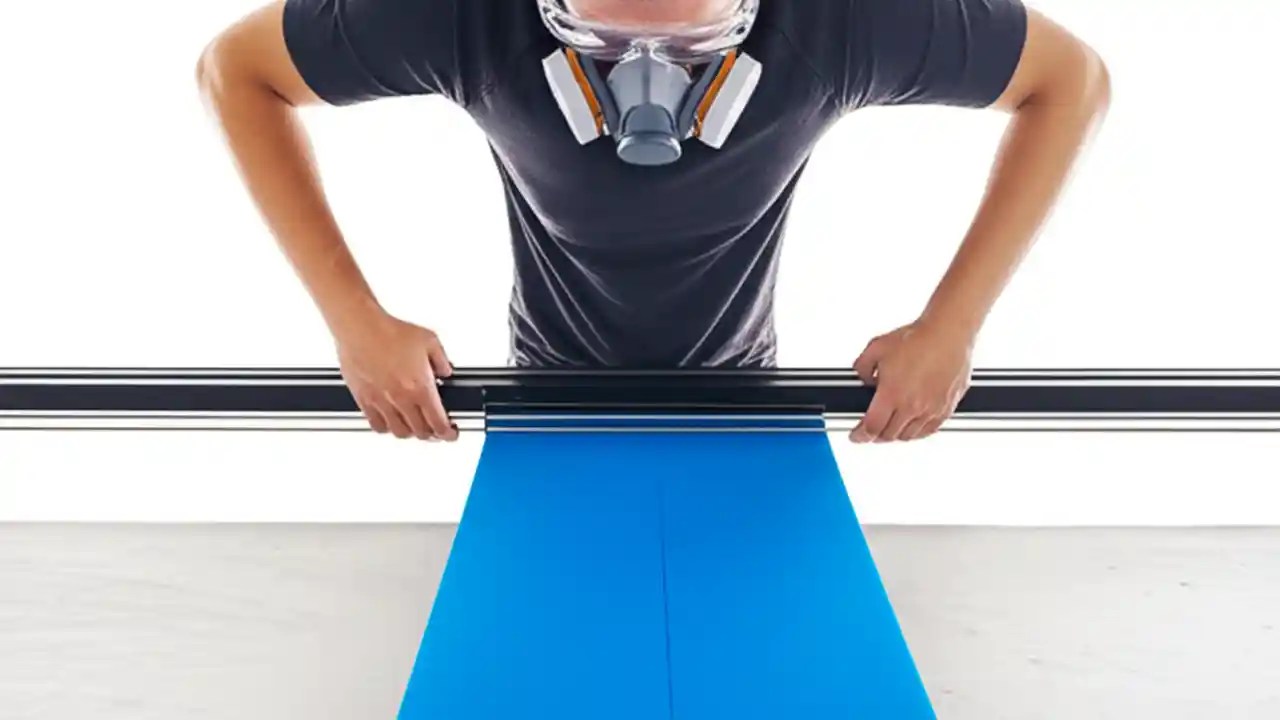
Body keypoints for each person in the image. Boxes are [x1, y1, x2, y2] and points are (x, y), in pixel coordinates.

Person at [196, 0, 1109, 444]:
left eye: (691, 43)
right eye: (599, 40)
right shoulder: (462, 17)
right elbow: (235, 70)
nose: (647, 71)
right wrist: (356, 322)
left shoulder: (841, 21)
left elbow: (1071, 83)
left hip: (746, 404)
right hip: (546, 405)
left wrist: (951, 327)